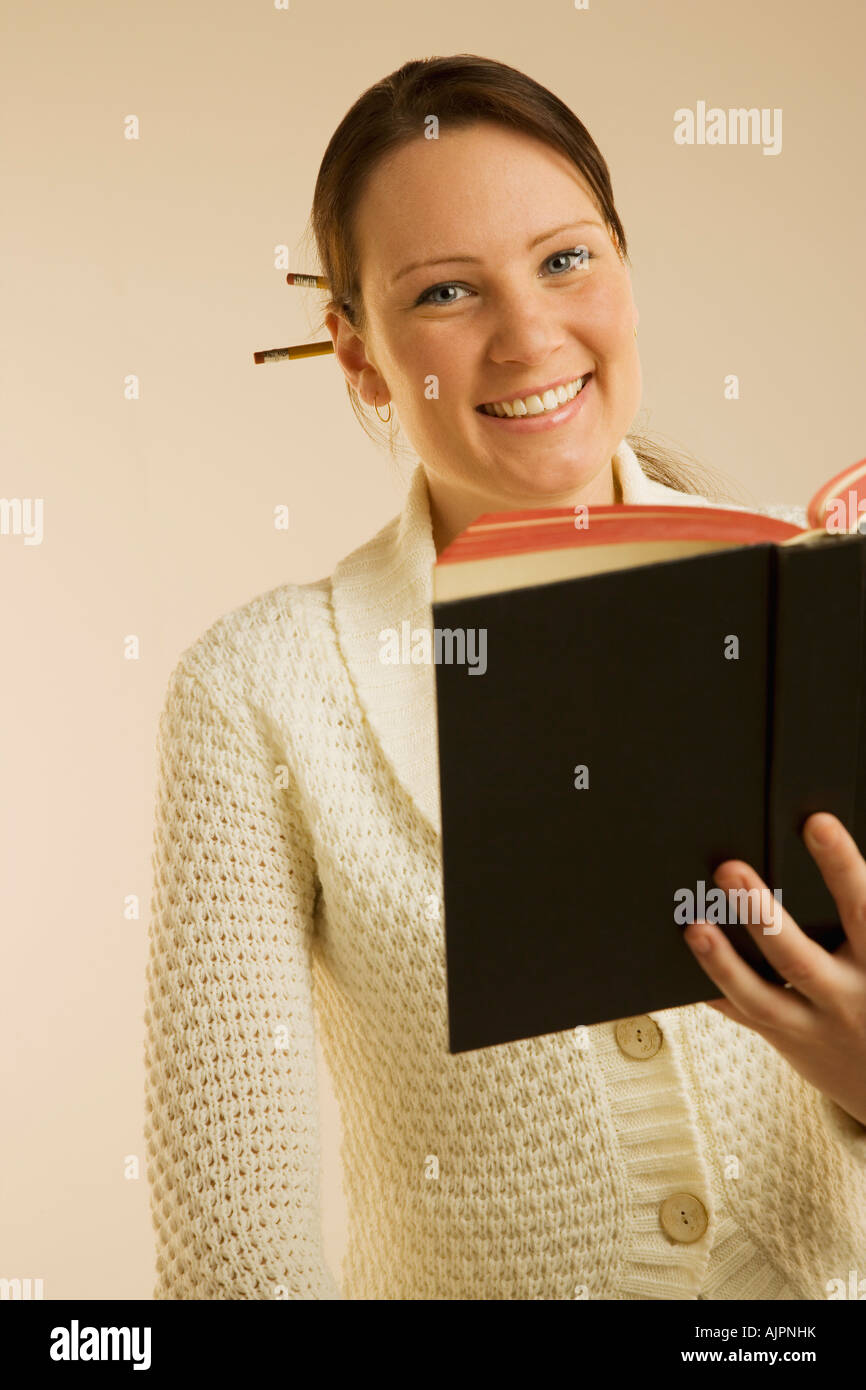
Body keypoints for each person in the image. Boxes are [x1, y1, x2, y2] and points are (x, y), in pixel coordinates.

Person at [143, 54, 866, 1300]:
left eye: (566, 259)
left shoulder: (824, 600)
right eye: (443, 291)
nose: (528, 334)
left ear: (626, 279)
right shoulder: (257, 692)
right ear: (360, 355)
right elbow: (232, 1261)